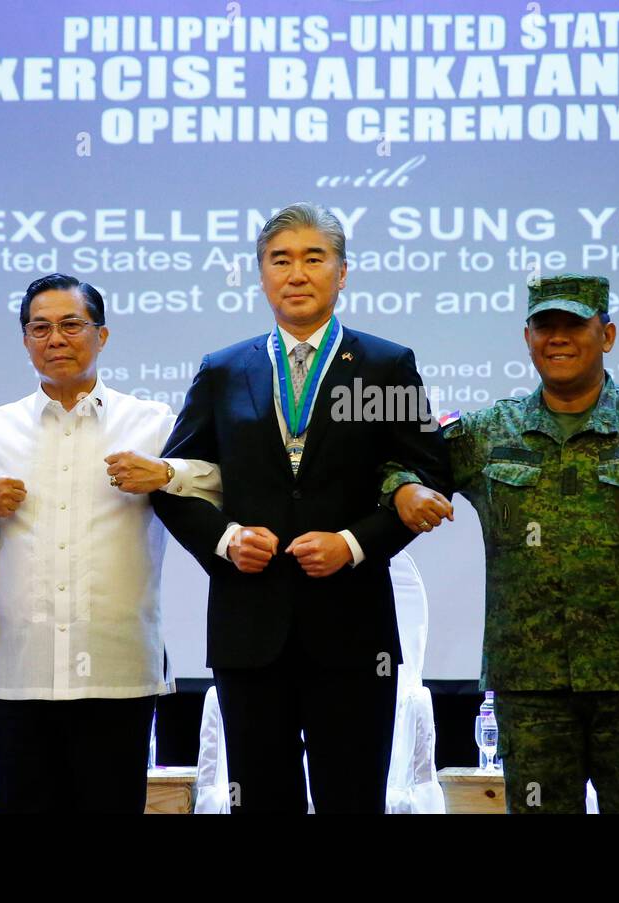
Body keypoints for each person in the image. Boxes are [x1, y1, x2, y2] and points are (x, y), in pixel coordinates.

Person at [384, 274, 619, 813]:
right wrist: (404, 486)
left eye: (574, 326)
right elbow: (403, 460)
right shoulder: (489, 432)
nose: (558, 337)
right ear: (527, 337)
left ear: (606, 335)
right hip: (529, 684)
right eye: (546, 326)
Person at [152, 203, 450, 814]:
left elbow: (429, 473)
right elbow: (170, 483)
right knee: (261, 800)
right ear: (260, 275)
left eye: (314, 258)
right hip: (249, 625)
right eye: (279, 260)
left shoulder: (385, 364)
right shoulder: (223, 370)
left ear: (343, 273)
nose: (297, 273)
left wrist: (355, 542)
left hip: (353, 625)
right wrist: (226, 538)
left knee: (353, 798)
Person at [0, 273, 221, 813]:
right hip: (15, 675)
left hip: (116, 673)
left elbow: (220, 482)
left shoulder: (151, 423)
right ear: (26, 341)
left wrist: (166, 472)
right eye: (40, 327)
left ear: (101, 336)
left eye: (71, 324)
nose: (56, 338)